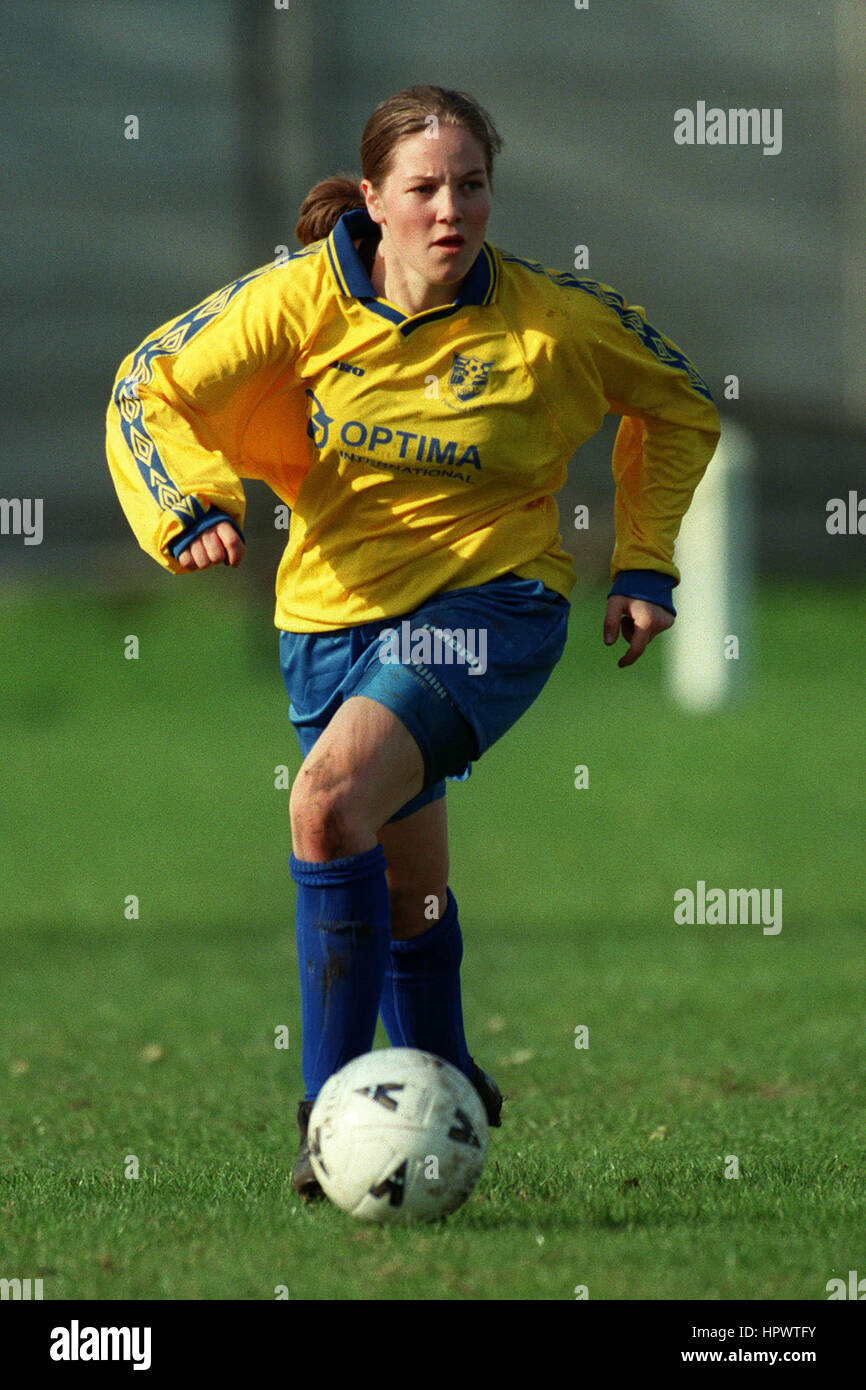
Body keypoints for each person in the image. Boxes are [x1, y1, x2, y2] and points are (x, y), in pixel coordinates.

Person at [106, 85, 720, 1201]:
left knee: (326, 800)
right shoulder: (300, 300)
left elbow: (679, 404)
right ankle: (449, 1078)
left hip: (492, 608)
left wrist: (643, 561)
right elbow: (148, 379)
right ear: (374, 201)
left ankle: (325, 1112)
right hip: (330, 616)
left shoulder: (552, 321)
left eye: (471, 185)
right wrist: (188, 506)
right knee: (404, 894)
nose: (451, 210)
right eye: (424, 189)